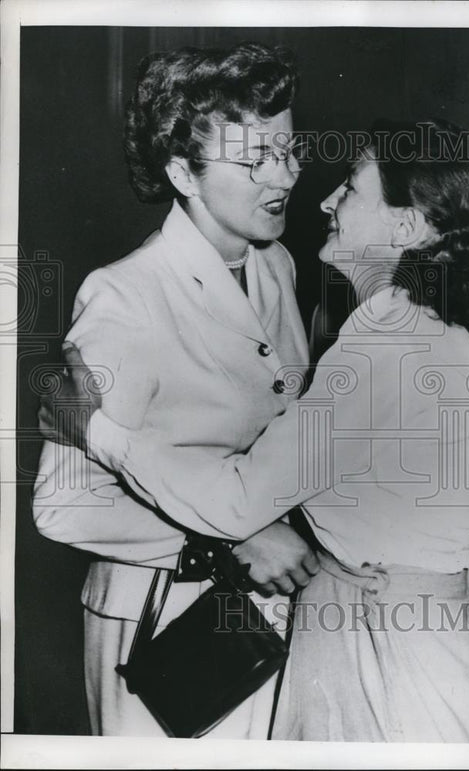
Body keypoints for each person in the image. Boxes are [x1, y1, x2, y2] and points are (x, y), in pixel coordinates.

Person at [39, 121, 469, 742]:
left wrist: (95, 429)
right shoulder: (434, 333)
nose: (322, 198)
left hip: (381, 657)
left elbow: (243, 498)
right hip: (385, 638)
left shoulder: (383, 349)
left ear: (404, 229)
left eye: (349, 187)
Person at [32, 42, 322, 738]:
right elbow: (62, 504)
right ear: (181, 173)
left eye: (288, 149)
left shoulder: (274, 263)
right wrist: (223, 541)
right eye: (254, 159)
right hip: (162, 631)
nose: (284, 175)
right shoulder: (127, 296)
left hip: (271, 619)